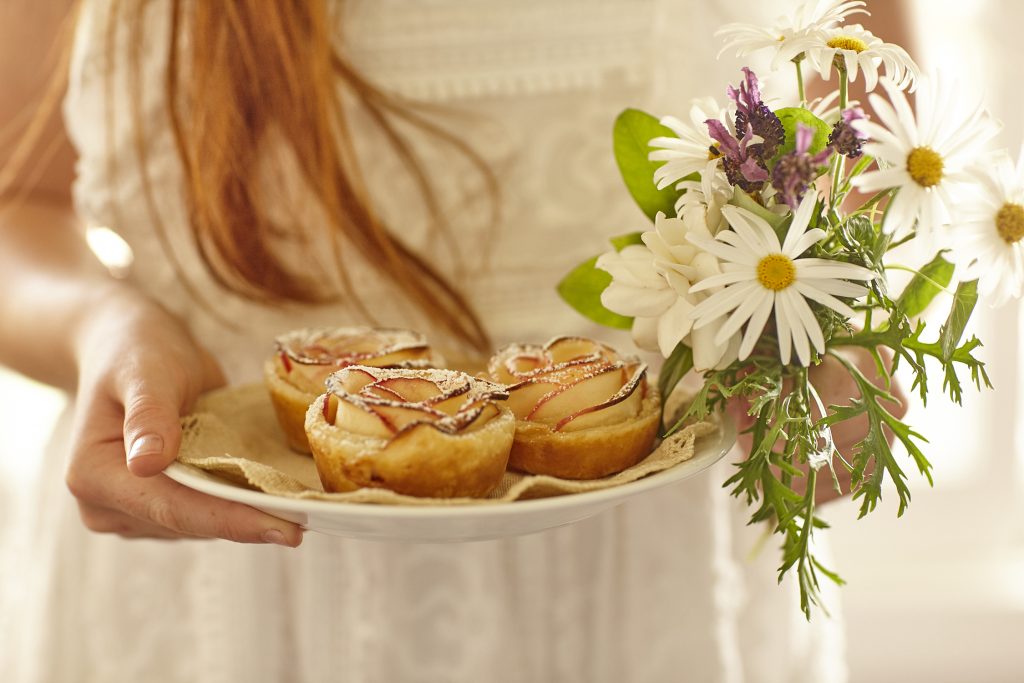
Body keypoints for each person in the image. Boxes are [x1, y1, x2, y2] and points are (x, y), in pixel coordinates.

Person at [0, 1, 908, 681]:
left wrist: (833, 327)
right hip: (225, 579)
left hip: (646, 579)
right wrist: (102, 328)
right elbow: (17, 202)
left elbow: (877, 140)